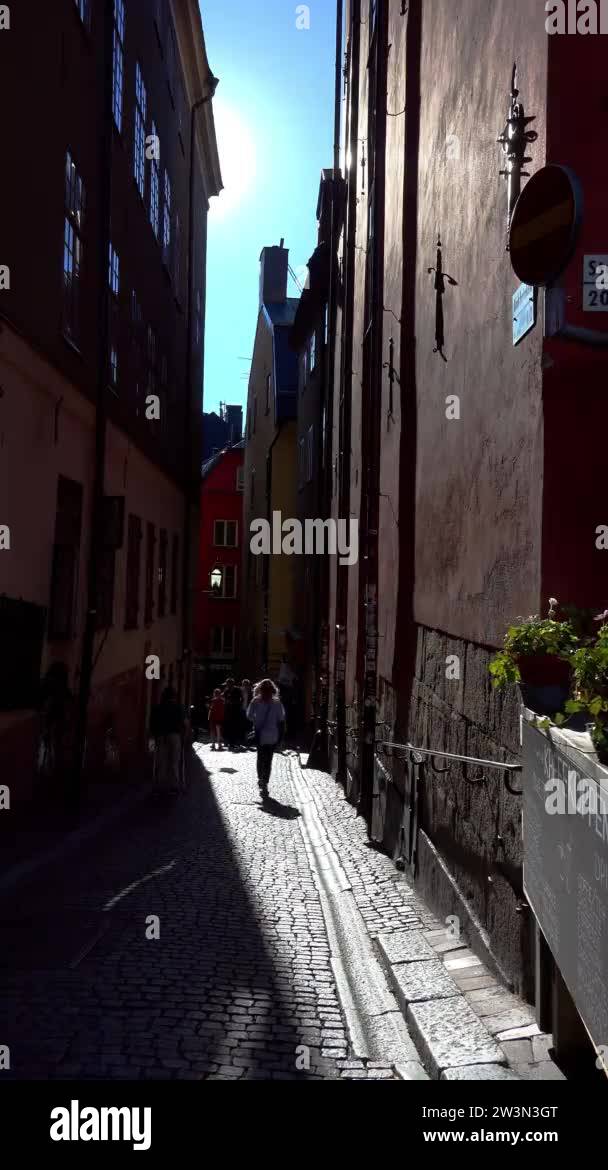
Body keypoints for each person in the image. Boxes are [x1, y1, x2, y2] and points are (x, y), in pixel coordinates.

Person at [247, 678, 285, 801]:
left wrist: (257, 720)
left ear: (260, 689)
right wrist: (281, 737)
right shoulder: (277, 703)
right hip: (273, 735)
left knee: (260, 757)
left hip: (260, 734)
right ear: (273, 690)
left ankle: (260, 779)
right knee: (268, 759)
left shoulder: (255, 701)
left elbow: (248, 715)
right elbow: (281, 720)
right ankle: (265, 781)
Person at [150, 686, 187, 793]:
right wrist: (184, 735)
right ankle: (174, 785)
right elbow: (185, 723)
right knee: (174, 761)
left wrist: (153, 736)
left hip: (161, 736)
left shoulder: (157, 707)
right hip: (175, 736)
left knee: (161, 760)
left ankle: (160, 784)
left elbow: (152, 724)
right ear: (174, 696)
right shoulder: (179, 707)